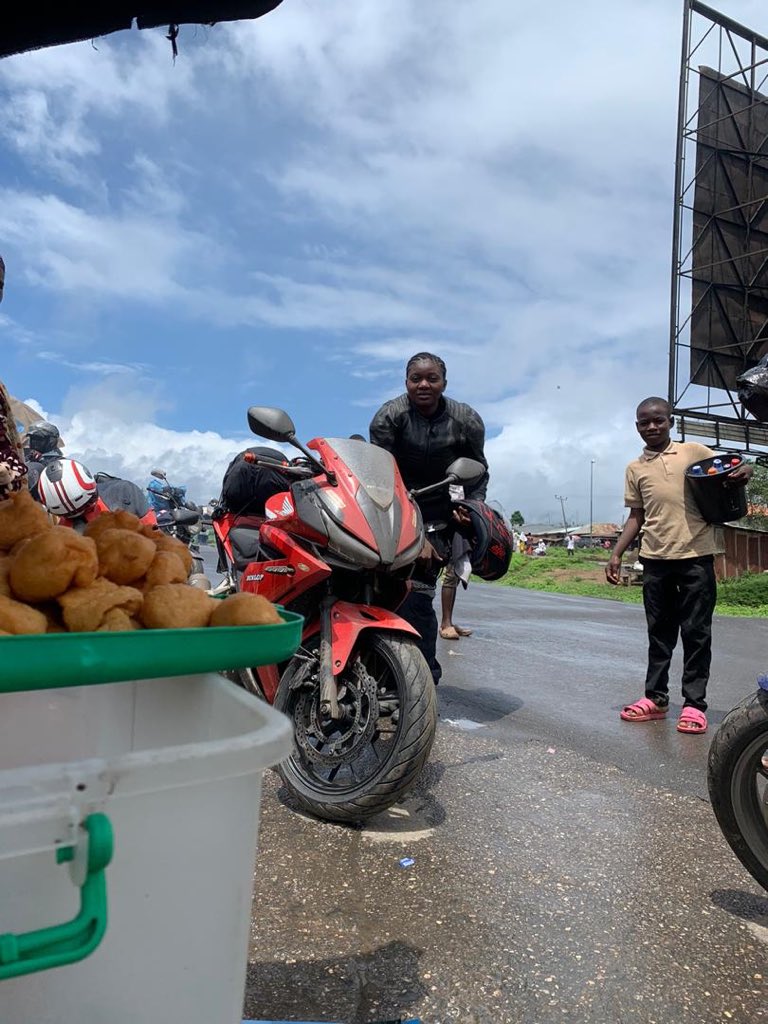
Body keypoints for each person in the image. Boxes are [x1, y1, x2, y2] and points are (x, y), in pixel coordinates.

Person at [605, 396, 752, 734]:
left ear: (670, 421)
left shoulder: (693, 452)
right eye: (644, 422)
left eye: (658, 420)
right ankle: (655, 699)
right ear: (637, 426)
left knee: (696, 633)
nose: (651, 427)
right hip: (654, 559)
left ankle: (694, 705)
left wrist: (745, 470)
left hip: (696, 557)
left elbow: (736, 466)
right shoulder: (635, 468)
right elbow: (636, 516)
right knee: (659, 634)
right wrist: (616, 554)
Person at [369, 352, 489, 683]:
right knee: (374, 592)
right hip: (392, 507)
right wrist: (411, 530)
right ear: (406, 381)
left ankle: (422, 680)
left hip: (439, 510)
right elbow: (379, 476)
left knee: (417, 595)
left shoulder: (466, 419)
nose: (423, 384)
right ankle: (373, 673)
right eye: (415, 378)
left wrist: (472, 511)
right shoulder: (388, 417)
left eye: (431, 378)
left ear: (443, 383)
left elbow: (477, 473)